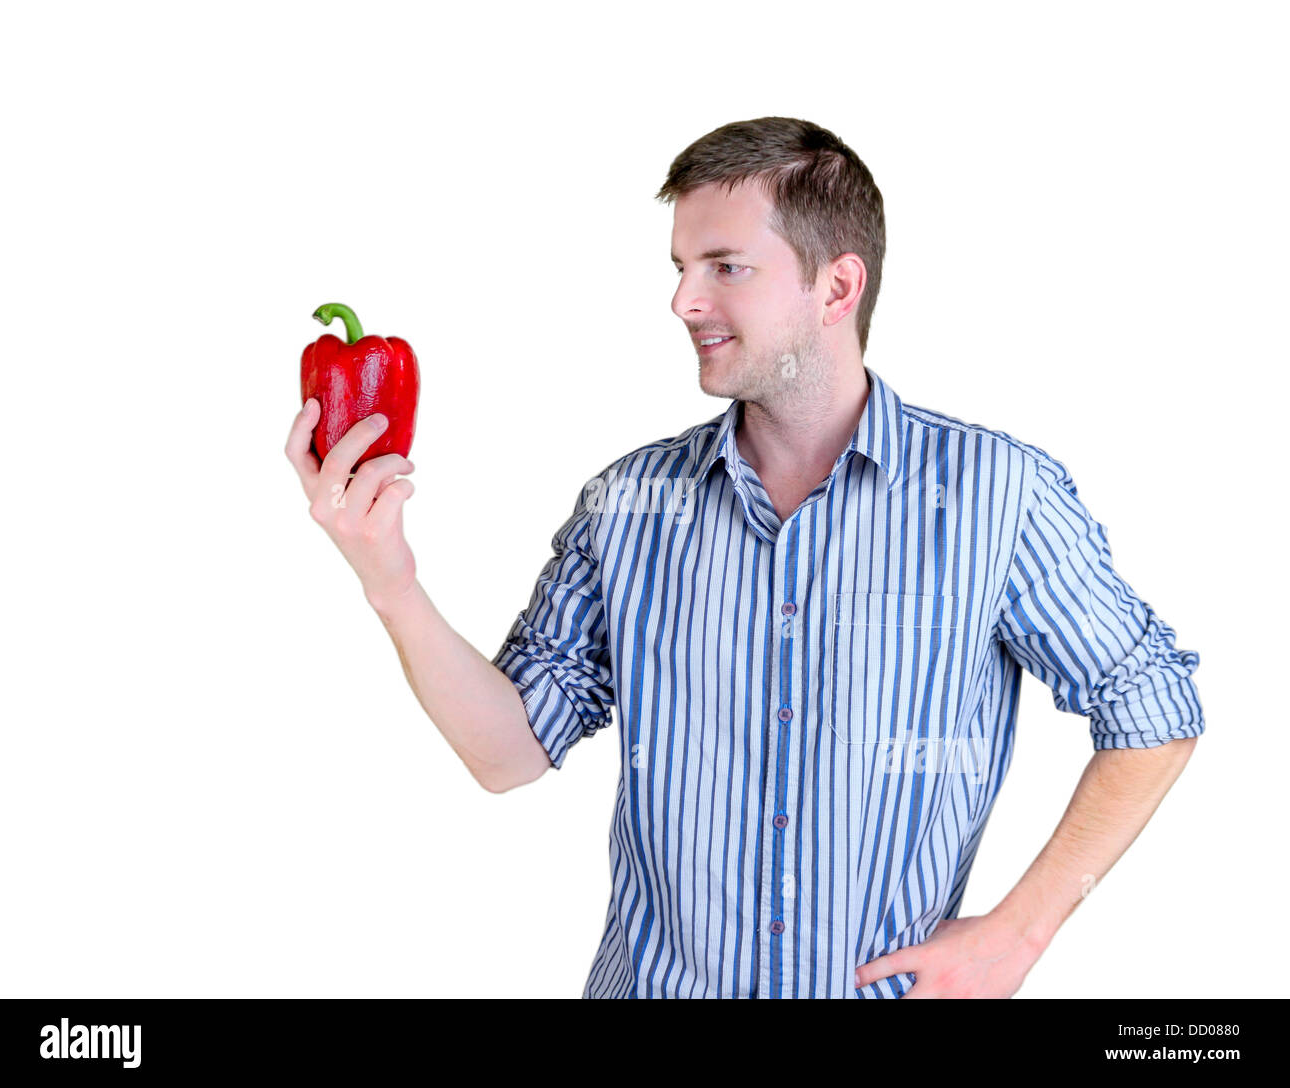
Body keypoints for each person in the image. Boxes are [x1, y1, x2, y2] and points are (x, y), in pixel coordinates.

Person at [284, 116, 1204, 999]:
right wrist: (388, 576)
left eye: (725, 267)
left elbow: (1154, 704)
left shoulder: (998, 495)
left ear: (837, 289)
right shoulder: (627, 505)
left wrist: (1020, 933)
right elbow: (509, 754)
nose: (684, 300)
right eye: (683, 268)